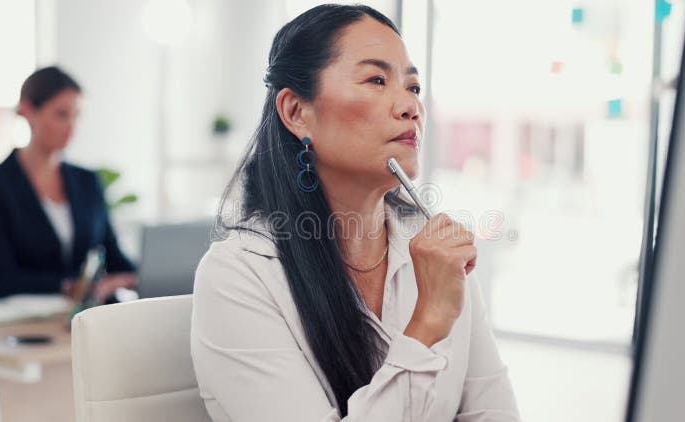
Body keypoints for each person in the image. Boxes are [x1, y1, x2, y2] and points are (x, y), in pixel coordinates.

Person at [191, 4, 521, 421]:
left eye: (414, 87)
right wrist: (430, 319)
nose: (410, 106)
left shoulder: (434, 251)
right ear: (296, 112)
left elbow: (493, 410)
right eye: (376, 80)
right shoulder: (239, 274)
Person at [0, 66, 136, 304]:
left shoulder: (88, 181)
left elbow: (115, 258)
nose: (72, 126)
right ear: (28, 111)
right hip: (25, 317)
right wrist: (71, 287)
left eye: (77, 115)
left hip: (88, 314)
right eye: (61, 114)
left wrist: (135, 276)